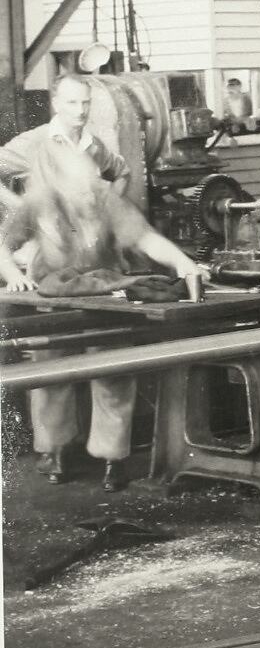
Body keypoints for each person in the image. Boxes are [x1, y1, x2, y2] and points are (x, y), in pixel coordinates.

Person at [0, 85, 201, 491]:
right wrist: (11, 274)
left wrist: (182, 261)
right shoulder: (40, 201)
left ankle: (112, 459)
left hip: (104, 291)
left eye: (92, 180)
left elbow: (144, 238)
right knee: (49, 370)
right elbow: (4, 242)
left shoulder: (106, 199)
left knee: (112, 372)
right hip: (51, 294)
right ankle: (55, 449)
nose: (88, 188)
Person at [1, 73, 130, 195]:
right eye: (72, 103)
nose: (80, 111)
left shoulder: (94, 144)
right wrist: (19, 206)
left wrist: (110, 205)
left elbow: (122, 173)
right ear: (56, 104)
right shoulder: (35, 141)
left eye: (85, 103)